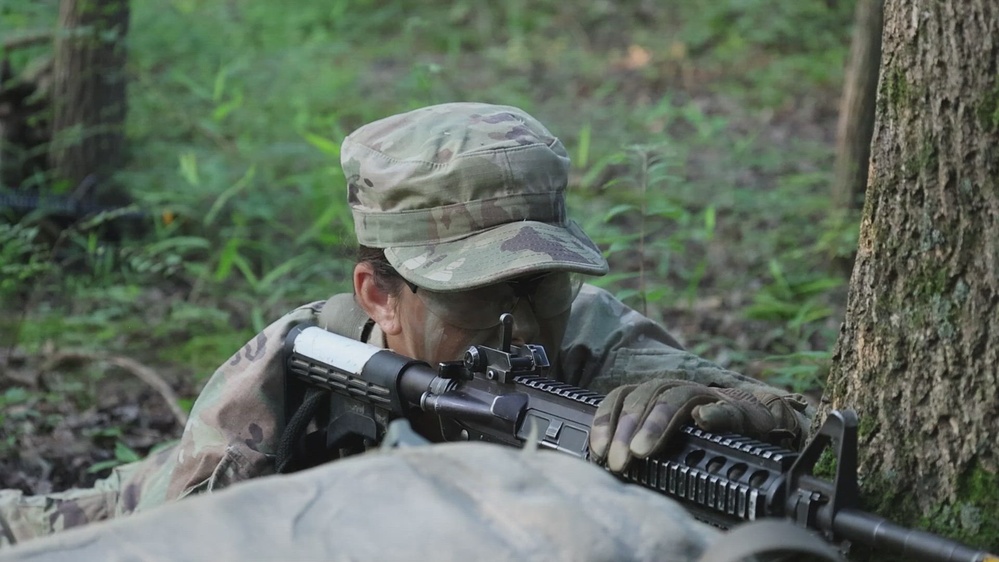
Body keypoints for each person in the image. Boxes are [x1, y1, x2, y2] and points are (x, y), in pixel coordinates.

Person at [0, 102, 811, 546]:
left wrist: (733, 415)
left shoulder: (592, 336)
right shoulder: (303, 356)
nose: (518, 322)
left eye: (541, 283)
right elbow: (172, 532)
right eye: (474, 295)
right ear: (379, 293)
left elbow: (755, 412)